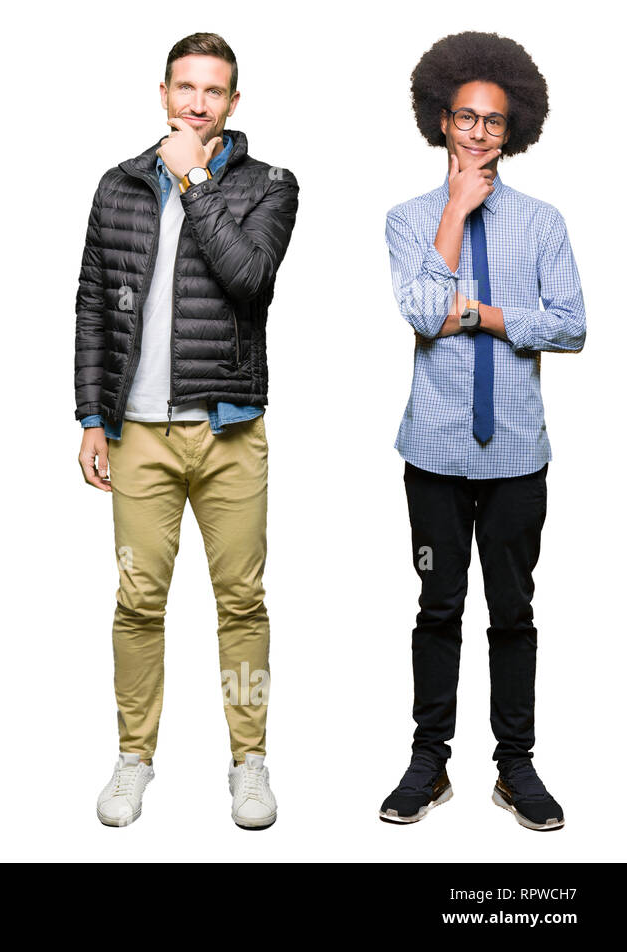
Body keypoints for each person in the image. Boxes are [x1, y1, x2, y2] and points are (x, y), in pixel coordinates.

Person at [74, 32, 298, 829]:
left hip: (230, 433)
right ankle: (134, 757)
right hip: (137, 436)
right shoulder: (117, 188)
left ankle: (250, 761)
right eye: (185, 88)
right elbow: (93, 307)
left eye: (214, 91)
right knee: (138, 601)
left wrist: (196, 178)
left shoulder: (271, 185)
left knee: (242, 600)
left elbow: (249, 279)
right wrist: (91, 417)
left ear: (233, 103)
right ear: (163, 93)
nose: (197, 103)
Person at [379, 31, 584, 831]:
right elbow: (426, 312)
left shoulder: (542, 222)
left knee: (514, 610)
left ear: (514, 129)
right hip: (431, 450)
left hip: (517, 457)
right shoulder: (408, 221)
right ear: (439, 120)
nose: (476, 134)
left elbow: (571, 327)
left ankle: (517, 766)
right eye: (463, 118)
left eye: (492, 122)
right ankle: (429, 763)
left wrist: (486, 313)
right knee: (438, 607)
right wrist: (458, 212)